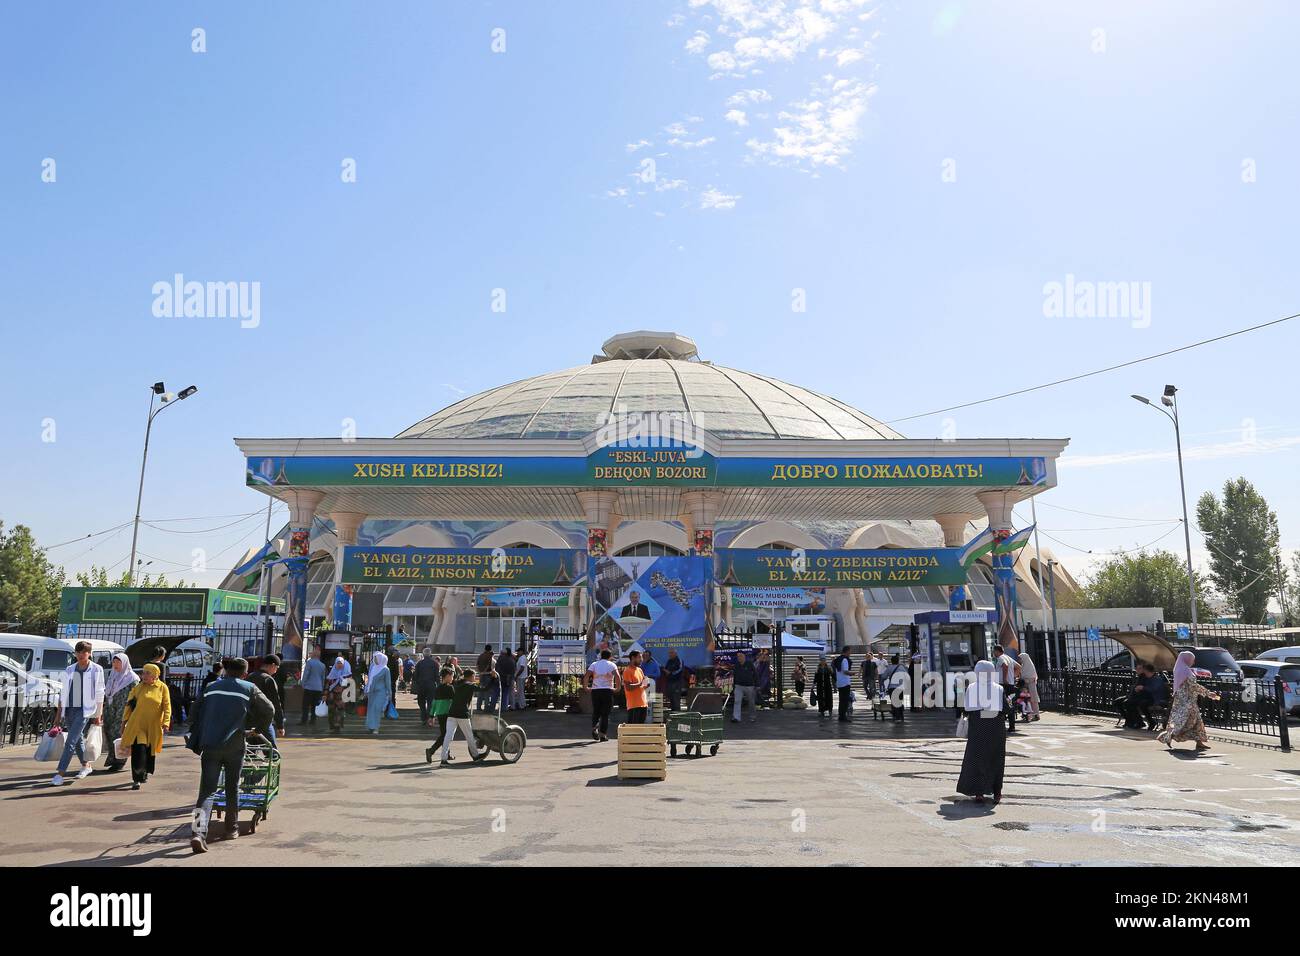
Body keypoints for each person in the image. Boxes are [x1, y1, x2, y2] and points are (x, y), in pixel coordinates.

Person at [187, 657, 275, 852]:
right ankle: (231, 829)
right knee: (232, 787)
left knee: (207, 791)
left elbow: (194, 709)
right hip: (235, 745)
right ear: (244, 673)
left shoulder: (211, 686)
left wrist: (197, 728)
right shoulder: (248, 688)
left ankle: (198, 833)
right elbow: (269, 709)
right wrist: (256, 730)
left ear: (226, 670)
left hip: (209, 744)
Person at [52, 641, 106, 786]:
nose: (81, 655)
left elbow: (100, 692)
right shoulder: (69, 669)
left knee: (70, 741)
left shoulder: (96, 669)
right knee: (78, 739)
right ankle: (86, 765)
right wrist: (58, 715)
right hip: (69, 708)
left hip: (85, 710)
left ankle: (60, 773)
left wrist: (98, 714)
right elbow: (63, 692)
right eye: (78, 652)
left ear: (90, 653)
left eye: (84, 652)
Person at [956, 660, 1006, 804]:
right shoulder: (998, 688)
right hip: (996, 727)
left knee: (977, 758)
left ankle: (979, 793)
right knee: (996, 758)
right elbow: (1006, 709)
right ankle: (997, 792)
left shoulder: (972, 687)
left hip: (977, 726)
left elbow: (966, 707)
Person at [120, 663, 172, 790]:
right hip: (137, 725)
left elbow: (167, 706)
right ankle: (136, 779)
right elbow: (129, 705)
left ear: (155, 675)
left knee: (149, 751)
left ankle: (144, 773)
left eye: (147, 673)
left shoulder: (162, 688)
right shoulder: (138, 688)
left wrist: (166, 722)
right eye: (143, 673)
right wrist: (123, 722)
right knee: (139, 750)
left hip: (153, 726)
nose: (143, 675)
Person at [1159, 651, 1220, 751]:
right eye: (1192, 659)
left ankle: (1199, 742)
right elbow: (1193, 686)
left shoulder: (1179, 669)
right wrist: (1208, 693)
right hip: (1187, 702)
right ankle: (1167, 736)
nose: (1193, 661)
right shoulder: (1186, 671)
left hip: (1183, 700)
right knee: (1183, 721)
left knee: (1195, 721)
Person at [100, 652, 138, 772]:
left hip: (123, 711)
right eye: (114, 662)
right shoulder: (114, 675)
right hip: (110, 709)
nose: (115, 664)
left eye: (118, 662)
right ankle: (113, 758)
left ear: (125, 663)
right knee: (109, 732)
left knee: (117, 733)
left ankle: (120, 760)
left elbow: (135, 698)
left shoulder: (132, 678)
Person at [439, 670, 486, 766]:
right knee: (469, 736)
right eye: (474, 676)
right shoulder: (470, 685)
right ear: (470, 677)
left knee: (448, 736)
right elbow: (484, 689)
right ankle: (476, 756)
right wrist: (493, 679)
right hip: (462, 714)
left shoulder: (457, 683)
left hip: (452, 712)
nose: (475, 678)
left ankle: (443, 759)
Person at [585, 648, 622, 741]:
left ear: (601, 656)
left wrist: (586, 687)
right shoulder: (612, 665)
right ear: (610, 656)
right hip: (607, 691)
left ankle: (595, 727)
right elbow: (617, 676)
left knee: (596, 711)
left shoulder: (594, 664)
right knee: (605, 714)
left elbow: (587, 676)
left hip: (595, 691)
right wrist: (618, 688)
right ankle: (603, 734)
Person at [248, 655, 284, 743]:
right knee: (272, 753)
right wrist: (280, 725)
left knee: (250, 752)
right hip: (264, 722)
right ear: (272, 665)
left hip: (248, 720)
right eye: (276, 667)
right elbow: (276, 703)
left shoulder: (250, 676)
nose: (276, 671)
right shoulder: (268, 680)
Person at [1123, 662, 1169, 730]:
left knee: (1142, 704)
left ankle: (1150, 722)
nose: (1144, 673)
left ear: (1147, 671)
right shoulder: (1148, 678)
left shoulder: (1156, 679)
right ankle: (1138, 721)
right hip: (1150, 698)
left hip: (1156, 699)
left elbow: (1154, 689)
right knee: (1130, 703)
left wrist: (1143, 688)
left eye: (1144, 671)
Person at [425, 667, 456, 762]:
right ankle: (431, 750)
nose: (452, 678)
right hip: (447, 713)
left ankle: (446, 754)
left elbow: (434, 703)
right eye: (451, 676)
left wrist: (432, 715)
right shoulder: (450, 688)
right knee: (446, 735)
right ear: (446, 676)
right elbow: (454, 701)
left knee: (444, 734)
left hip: (439, 713)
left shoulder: (438, 688)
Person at [992, 645, 1021, 733]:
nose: (993, 653)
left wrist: (1005, 679)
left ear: (997, 651)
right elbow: (1019, 667)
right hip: (1010, 685)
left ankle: (999, 725)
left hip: (1003, 685)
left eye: (994, 651)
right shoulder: (1008, 657)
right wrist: (1012, 677)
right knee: (1010, 704)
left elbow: (1005, 666)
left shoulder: (1001, 658)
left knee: (1000, 704)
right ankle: (1012, 727)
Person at [366, 651, 392, 735]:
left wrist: (389, 693)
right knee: (371, 710)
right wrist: (366, 690)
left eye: (376, 658)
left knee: (377, 709)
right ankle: (370, 726)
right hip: (371, 692)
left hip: (381, 692)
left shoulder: (385, 669)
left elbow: (388, 683)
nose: (375, 660)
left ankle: (376, 727)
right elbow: (369, 679)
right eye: (374, 658)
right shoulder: (373, 667)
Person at [325, 656, 354, 734]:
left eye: (341, 663)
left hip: (341, 695)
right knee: (331, 711)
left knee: (340, 711)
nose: (339, 665)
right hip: (332, 695)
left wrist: (343, 688)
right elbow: (327, 684)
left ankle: (337, 726)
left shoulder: (346, 674)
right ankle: (332, 725)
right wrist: (325, 694)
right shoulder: (332, 672)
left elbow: (349, 684)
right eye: (338, 663)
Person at [299, 645, 327, 726]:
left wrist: (303, 684)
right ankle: (313, 720)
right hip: (318, 688)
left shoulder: (309, 662)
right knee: (315, 705)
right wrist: (321, 687)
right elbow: (323, 678)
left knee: (305, 705)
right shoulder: (322, 665)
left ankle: (304, 720)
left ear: (314, 655)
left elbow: (306, 674)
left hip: (309, 687)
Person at [622, 650, 650, 724]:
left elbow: (643, 685)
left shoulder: (640, 670)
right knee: (633, 729)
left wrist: (647, 683)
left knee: (640, 729)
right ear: (633, 658)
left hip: (643, 704)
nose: (641, 659)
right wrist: (640, 684)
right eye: (639, 657)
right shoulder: (627, 671)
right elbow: (628, 687)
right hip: (633, 705)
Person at [414, 650, 441, 725]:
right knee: (430, 702)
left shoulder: (419, 663)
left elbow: (415, 675)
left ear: (423, 654)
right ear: (430, 654)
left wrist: (417, 683)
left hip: (421, 685)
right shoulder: (435, 663)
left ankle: (423, 717)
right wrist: (438, 685)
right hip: (431, 685)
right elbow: (437, 676)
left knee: (421, 702)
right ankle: (429, 717)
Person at [731, 651, 758, 723]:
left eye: (740, 656)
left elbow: (755, 674)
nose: (739, 658)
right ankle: (736, 717)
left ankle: (752, 717)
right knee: (737, 701)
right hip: (738, 685)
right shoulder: (736, 665)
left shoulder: (749, 664)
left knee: (751, 702)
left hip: (749, 686)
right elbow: (735, 676)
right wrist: (734, 686)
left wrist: (757, 685)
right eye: (738, 656)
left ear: (744, 657)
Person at [1017, 651, 1040, 722]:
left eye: (1020, 658)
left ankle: (1036, 714)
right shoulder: (1023, 666)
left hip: (1031, 686)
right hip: (1025, 687)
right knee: (1026, 701)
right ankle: (1027, 714)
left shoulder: (1030, 666)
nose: (1019, 660)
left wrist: (1026, 680)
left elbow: (1033, 677)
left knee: (1033, 700)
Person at [834, 648, 853, 722]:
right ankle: (843, 716)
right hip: (845, 682)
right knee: (845, 700)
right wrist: (852, 673)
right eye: (850, 652)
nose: (850, 653)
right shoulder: (844, 660)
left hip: (839, 682)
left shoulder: (838, 659)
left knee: (841, 700)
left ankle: (841, 715)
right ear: (847, 651)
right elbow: (845, 671)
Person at [496, 647, 517, 712]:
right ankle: (510, 706)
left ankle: (504, 707)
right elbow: (514, 669)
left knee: (503, 693)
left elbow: (497, 668)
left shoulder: (501, 659)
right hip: (510, 678)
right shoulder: (512, 659)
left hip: (503, 678)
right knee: (509, 693)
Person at [476, 645, 496, 712]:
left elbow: (477, 664)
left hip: (481, 675)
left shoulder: (481, 655)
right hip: (487, 675)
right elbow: (489, 666)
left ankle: (478, 706)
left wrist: (480, 672)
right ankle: (486, 707)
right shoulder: (490, 656)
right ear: (490, 649)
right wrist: (485, 671)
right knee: (487, 691)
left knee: (481, 691)